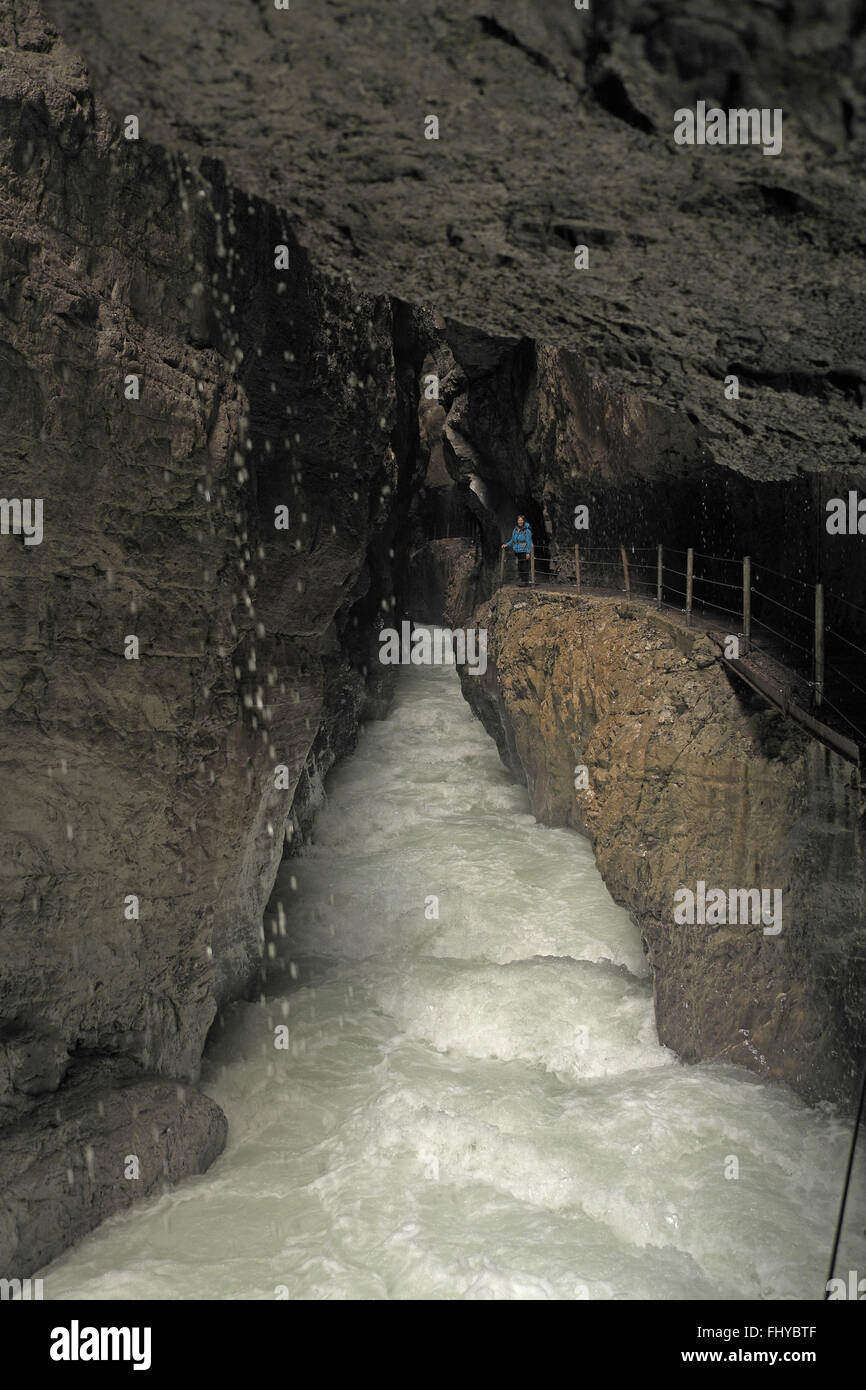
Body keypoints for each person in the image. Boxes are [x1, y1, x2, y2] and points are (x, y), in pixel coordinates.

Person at [502, 515, 533, 587]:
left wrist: (528, 552)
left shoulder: (527, 531)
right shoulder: (515, 530)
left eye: (521, 520)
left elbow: (529, 542)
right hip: (517, 551)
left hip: (524, 550)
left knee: (525, 566)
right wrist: (506, 544)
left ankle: (525, 582)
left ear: (524, 521)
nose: (520, 521)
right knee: (520, 566)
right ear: (517, 521)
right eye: (519, 520)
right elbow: (513, 540)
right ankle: (522, 581)